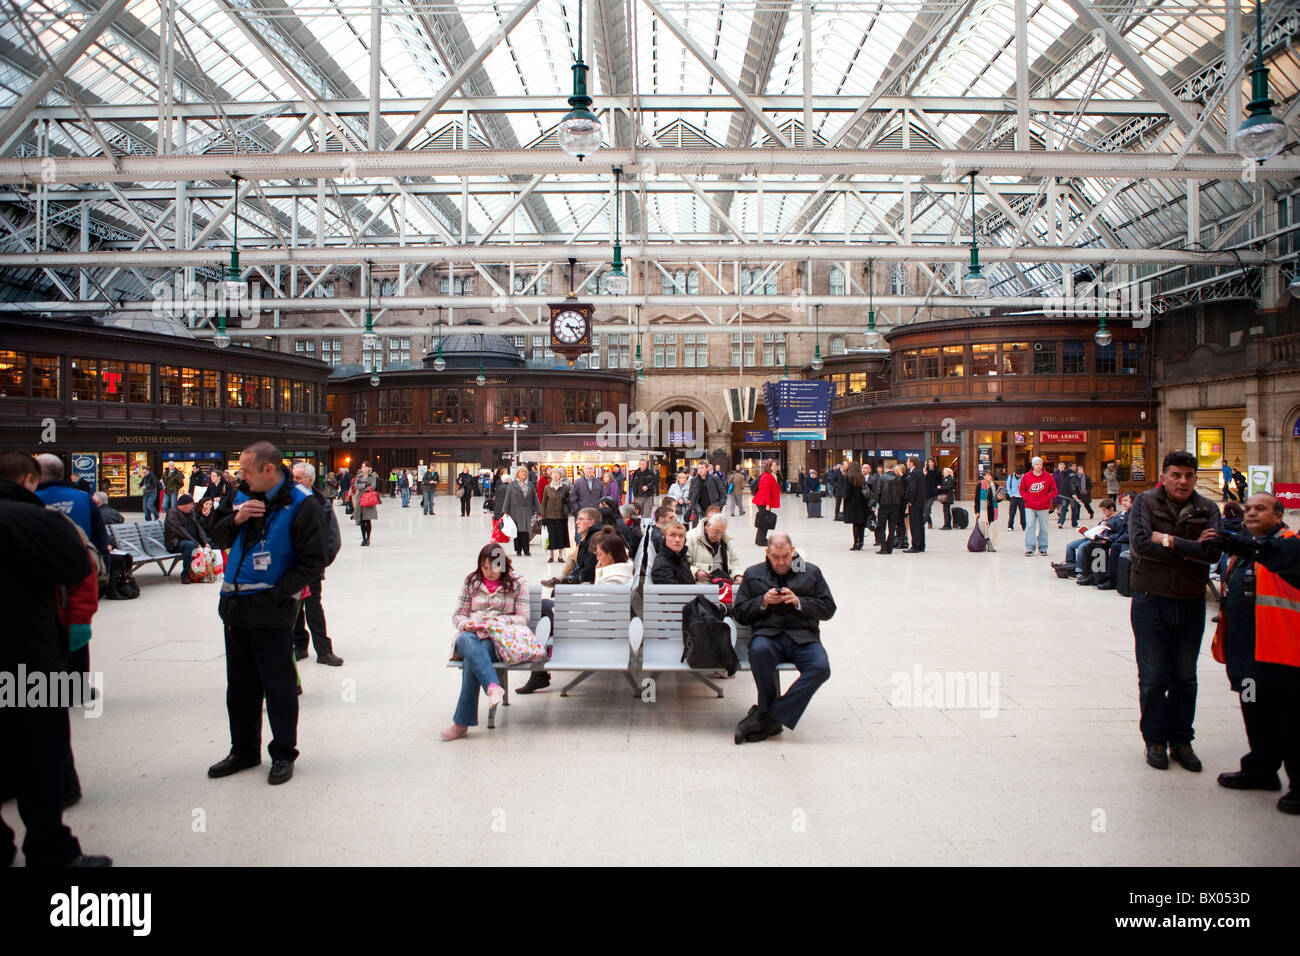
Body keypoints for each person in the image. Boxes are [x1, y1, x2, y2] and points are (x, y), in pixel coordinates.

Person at [0, 451, 110, 867]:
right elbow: (80, 567)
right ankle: (50, 848)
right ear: (27, 480)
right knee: (41, 748)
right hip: (28, 650)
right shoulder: (40, 519)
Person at [207, 441, 326, 786]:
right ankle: (244, 750)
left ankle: (283, 752)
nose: (240, 475)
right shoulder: (239, 495)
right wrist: (237, 518)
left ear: (268, 469)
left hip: (271, 610)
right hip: (235, 606)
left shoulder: (302, 503)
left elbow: (315, 559)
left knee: (278, 685)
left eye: (246, 470)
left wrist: (278, 595)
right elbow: (216, 534)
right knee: (240, 686)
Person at [1127, 450, 1222, 773]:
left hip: (1190, 600)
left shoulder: (1207, 508)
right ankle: (1154, 740)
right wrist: (1192, 549)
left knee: (1185, 676)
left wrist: (1169, 541)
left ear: (1195, 478)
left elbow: (1212, 553)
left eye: (1188, 475)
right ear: (1164, 476)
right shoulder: (1144, 502)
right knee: (1153, 677)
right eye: (1176, 475)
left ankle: (1182, 740)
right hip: (1150, 600)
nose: (1182, 481)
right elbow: (1141, 545)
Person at [1210, 493, 1300, 814]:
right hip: (1247, 658)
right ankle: (1260, 768)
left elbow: (1274, 556)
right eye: (1248, 508)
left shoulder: (1289, 546)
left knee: (1289, 723)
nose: (1250, 513)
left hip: (1282, 659)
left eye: (1260, 509)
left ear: (1278, 515)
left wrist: (1241, 543)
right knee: (1255, 714)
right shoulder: (1244, 552)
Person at [732, 533, 836, 744]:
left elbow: (828, 609)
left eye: (786, 557)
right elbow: (740, 613)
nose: (781, 562)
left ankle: (768, 716)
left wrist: (799, 602)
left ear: (793, 551)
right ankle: (771, 717)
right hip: (768, 634)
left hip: (803, 636)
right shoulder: (753, 574)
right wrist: (763, 602)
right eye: (776, 557)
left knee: (820, 667)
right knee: (759, 651)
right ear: (767, 553)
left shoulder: (811, 572)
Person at [442, 544, 530, 741]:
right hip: (470, 635)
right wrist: (467, 624)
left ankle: (461, 724)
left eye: (494, 567)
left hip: (496, 638)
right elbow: (457, 615)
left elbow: (523, 618)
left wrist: (497, 622)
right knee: (466, 639)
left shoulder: (517, 583)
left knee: (471, 660)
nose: (489, 572)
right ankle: (493, 686)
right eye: (485, 567)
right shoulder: (472, 582)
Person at [291, 462, 344, 667]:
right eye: (293, 478)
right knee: (293, 607)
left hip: (311, 565)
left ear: (310, 480)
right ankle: (299, 645)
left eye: (298, 478)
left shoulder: (320, 502)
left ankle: (323, 650)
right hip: (291, 564)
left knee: (313, 607)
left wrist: (321, 560)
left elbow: (333, 537)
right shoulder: (287, 500)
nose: (294, 482)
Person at [35, 455, 109, 563]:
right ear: (62, 473)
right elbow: (100, 541)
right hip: (81, 564)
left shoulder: (28, 499)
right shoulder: (85, 499)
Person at [163, 493, 211, 582]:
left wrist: (205, 542)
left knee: (211, 544)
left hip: (191, 540)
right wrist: (196, 543)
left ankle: (209, 572)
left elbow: (198, 527)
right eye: (191, 504)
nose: (192, 506)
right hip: (175, 542)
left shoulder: (191, 512)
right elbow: (181, 531)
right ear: (184, 505)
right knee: (190, 545)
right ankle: (185, 574)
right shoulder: (172, 513)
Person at [686, 514, 745, 585]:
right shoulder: (690, 538)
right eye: (716, 532)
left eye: (721, 533)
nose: (718, 536)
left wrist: (737, 575)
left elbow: (734, 562)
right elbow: (683, 564)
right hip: (700, 586)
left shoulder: (725, 541)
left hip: (723, 585)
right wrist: (695, 572)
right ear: (708, 526)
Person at [496, 466, 538, 557]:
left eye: (525, 472)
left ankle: (526, 550)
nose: (524, 474)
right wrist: (505, 511)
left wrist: (539, 510)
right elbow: (507, 498)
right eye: (522, 472)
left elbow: (535, 498)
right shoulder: (512, 485)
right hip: (515, 511)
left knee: (526, 531)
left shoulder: (530, 485)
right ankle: (518, 550)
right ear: (518, 474)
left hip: (526, 510)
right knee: (517, 531)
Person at [1020, 457, 1057, 556]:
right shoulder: (1026, 476)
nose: (1039, 466)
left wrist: (1046, 498)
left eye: (1040, 464)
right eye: (1036, 464)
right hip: (1030, 506)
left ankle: (1043, 547)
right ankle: (1030, 547)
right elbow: (1022, 490)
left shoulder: (1048, 477)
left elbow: (1054, 490)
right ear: (1033, 465)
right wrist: (1027, 499)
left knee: (1044, 528)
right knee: (1030, 526)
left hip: (1043, 506)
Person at [541, 467, 571, 563]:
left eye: (557, 474)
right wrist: (543, 516)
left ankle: (560, 556)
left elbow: (568, 499)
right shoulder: (547, 488)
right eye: (553, 473)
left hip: (562, 515)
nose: (555, 475)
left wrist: (566, 502)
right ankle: (551, 556)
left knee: (561, 536)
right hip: (550, 515)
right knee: (551, 536)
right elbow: (544, 503)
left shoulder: (564, 487)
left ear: (560, 475)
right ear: (551, 475)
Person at [650, 520, 694, 584]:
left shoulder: (681, 558)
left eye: (681, 536)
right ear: (663, 539)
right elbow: (673, 590)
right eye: (673, 535)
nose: (677, 540)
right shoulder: (662, 566)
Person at [875, 462, 905, 554]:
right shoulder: (898, 478)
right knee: (892, 528)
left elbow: (878, 492)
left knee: (881, 527)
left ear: (885, 468)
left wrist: (877, 503)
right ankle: (889, 547)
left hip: (884, 505)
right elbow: (901, 493)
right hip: (895, 506)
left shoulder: (882, 477)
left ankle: (883, 548)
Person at [752, 459, 782, 546]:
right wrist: (768, 504)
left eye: (776, 465)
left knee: (763, 520)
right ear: (770, 467)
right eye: (774, 466)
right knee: (764, 521)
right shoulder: (767, 477)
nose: (776, 467)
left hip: (763, 501)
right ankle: (761, 541)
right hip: (763, 502)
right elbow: (766, 492)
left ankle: (760, 539)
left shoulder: (770, 475)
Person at [352, 461, 379, 546]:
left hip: (369, 499)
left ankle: (368, 538)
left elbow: (373, 487)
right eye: (362, 467)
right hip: (360, 499)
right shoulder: (358, 476)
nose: (363, 468)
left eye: (365, 467)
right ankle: (363, 538)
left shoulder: (373, 476)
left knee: (368, 519)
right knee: (362, 520)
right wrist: (365, 485)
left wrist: (363, 487)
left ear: (369, 468)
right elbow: (356, 486)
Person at [843, 461, 869, 550]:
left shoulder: (848, 477)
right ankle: (861, 542)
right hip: (862, 503)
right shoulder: (861, 477)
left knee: (855, 524)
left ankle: (855, 542)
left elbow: (847, 492)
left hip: (852, 503)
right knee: (861, 523)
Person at [903, 456, 926, 552]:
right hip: (921, 502)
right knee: (920, 524)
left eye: (908, 461)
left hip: (915, 503)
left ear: (912, 463)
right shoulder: (920, 472)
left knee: (914, 524)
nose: (906, 463)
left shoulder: (913, 474)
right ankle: (921, 545)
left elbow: (912, 488)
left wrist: (910, 500)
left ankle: (915, 546)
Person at [974, 469, 998, 552]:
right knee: (984, 527)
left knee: (989, 526)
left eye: (991, 475)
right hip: (983, 509)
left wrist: (1000, 498)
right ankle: (988, 544)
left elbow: (996, 499)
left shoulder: (994, 485)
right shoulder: (980, 485)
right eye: (988, 475)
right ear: (984, 476)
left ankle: (987, 543)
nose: (990, 477)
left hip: (991, 509)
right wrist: (977, 511)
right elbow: (976, 499)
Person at [1005, 466, 1025, 531]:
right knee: (1012, 512)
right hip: (1013, 497)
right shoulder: (1011, 477)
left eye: (1020, 475)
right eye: (1017, 474)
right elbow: (1008, 486)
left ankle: (1024, 526)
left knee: (1023, 512)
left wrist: (1022, 488)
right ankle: (1010, 526)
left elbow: (1027, 486)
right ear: (1015, 473)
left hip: (1021, 497)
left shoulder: (1024, 477)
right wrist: (1010, 494)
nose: (1019, 476)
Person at [923, 458, 941, 530]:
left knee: (928, 507)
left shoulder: (937, 471)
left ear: (934, 463)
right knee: (925, 509)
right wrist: (924, 474)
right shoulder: (925, 470)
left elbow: (940, 481)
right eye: (929, 462)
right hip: (925, 491)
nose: (930, 463)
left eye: (931, 462)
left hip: (933, 492)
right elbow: (922, 480)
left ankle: (923, 521)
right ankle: (929, 522)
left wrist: (938, 489)